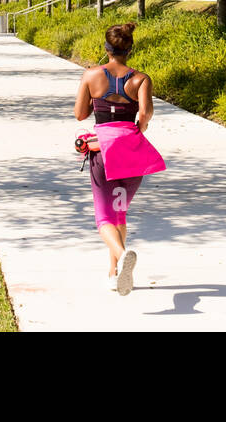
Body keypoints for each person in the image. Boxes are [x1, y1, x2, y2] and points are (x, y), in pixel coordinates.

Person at [73, 21, 154, 295]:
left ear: (106, 48)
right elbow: (145, 114)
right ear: (130, 49)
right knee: (119, 211)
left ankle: (122, 253)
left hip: (103, 152)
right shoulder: (141, 79)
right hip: (131, 153)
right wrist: (137, 129)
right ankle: (114, 272)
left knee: (104, 217)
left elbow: (80, 114)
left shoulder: (91, 75)